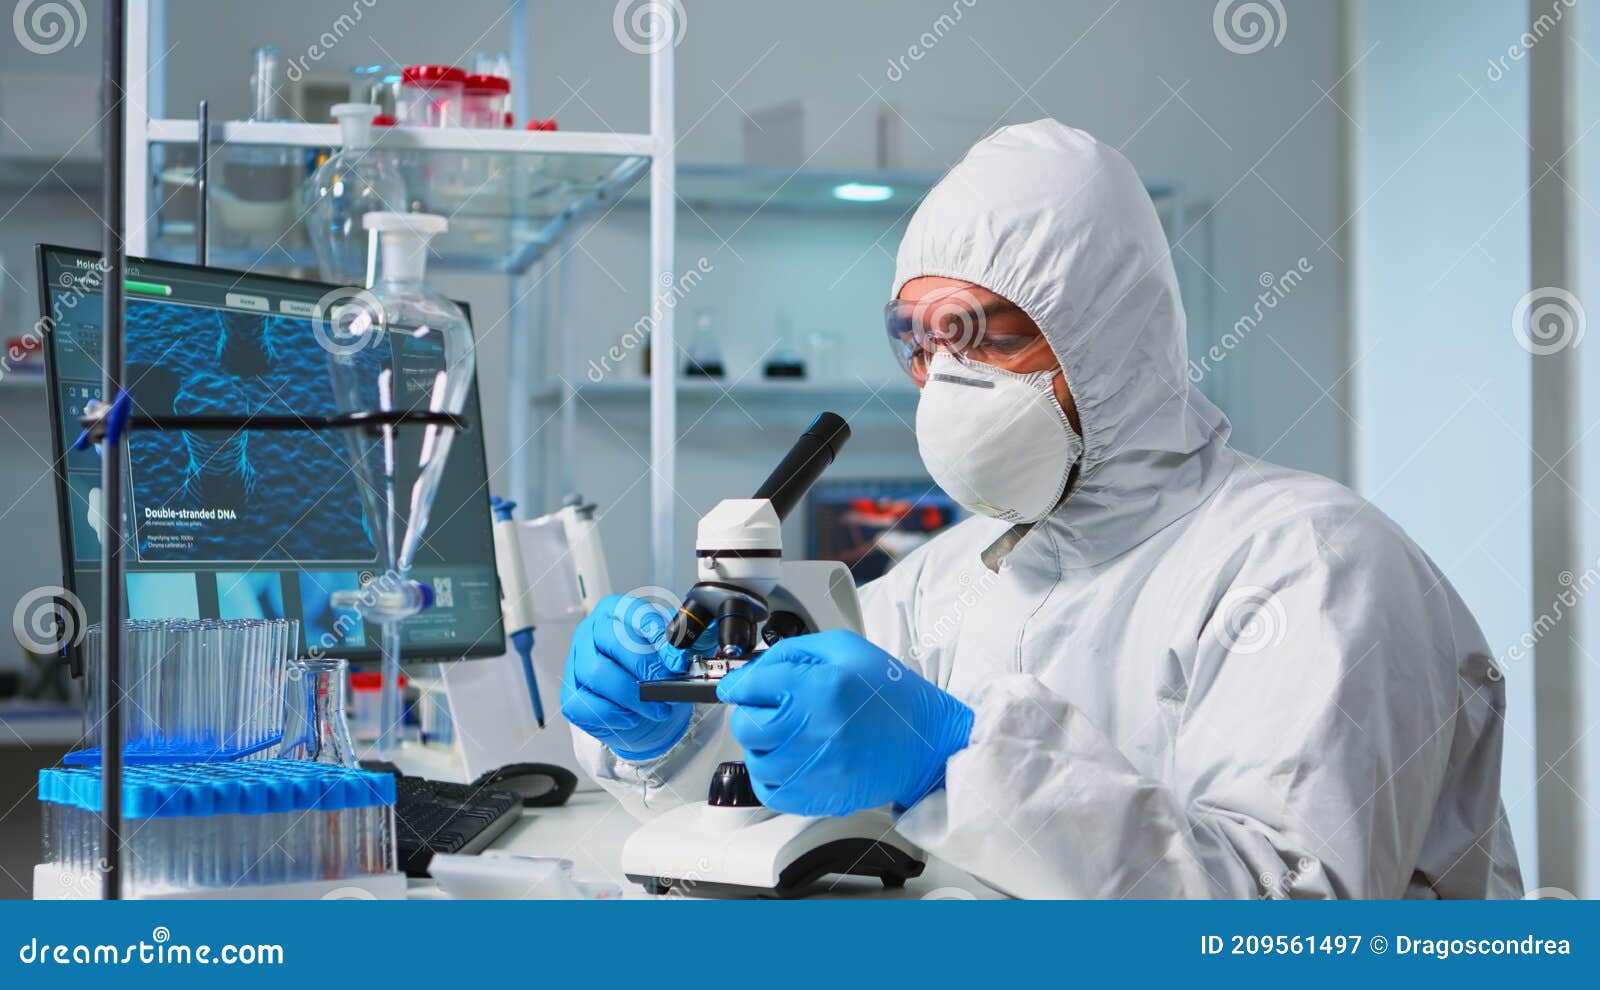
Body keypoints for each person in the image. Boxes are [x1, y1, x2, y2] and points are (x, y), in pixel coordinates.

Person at [562, 120, 1523, 899]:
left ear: (1107, 340)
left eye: (985, 339)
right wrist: (669, 728)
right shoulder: (952, 572)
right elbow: (793, 796)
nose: (945, 383)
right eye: (921, 345)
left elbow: (1282, 925)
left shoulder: (1310, 565)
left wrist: (959, 764)